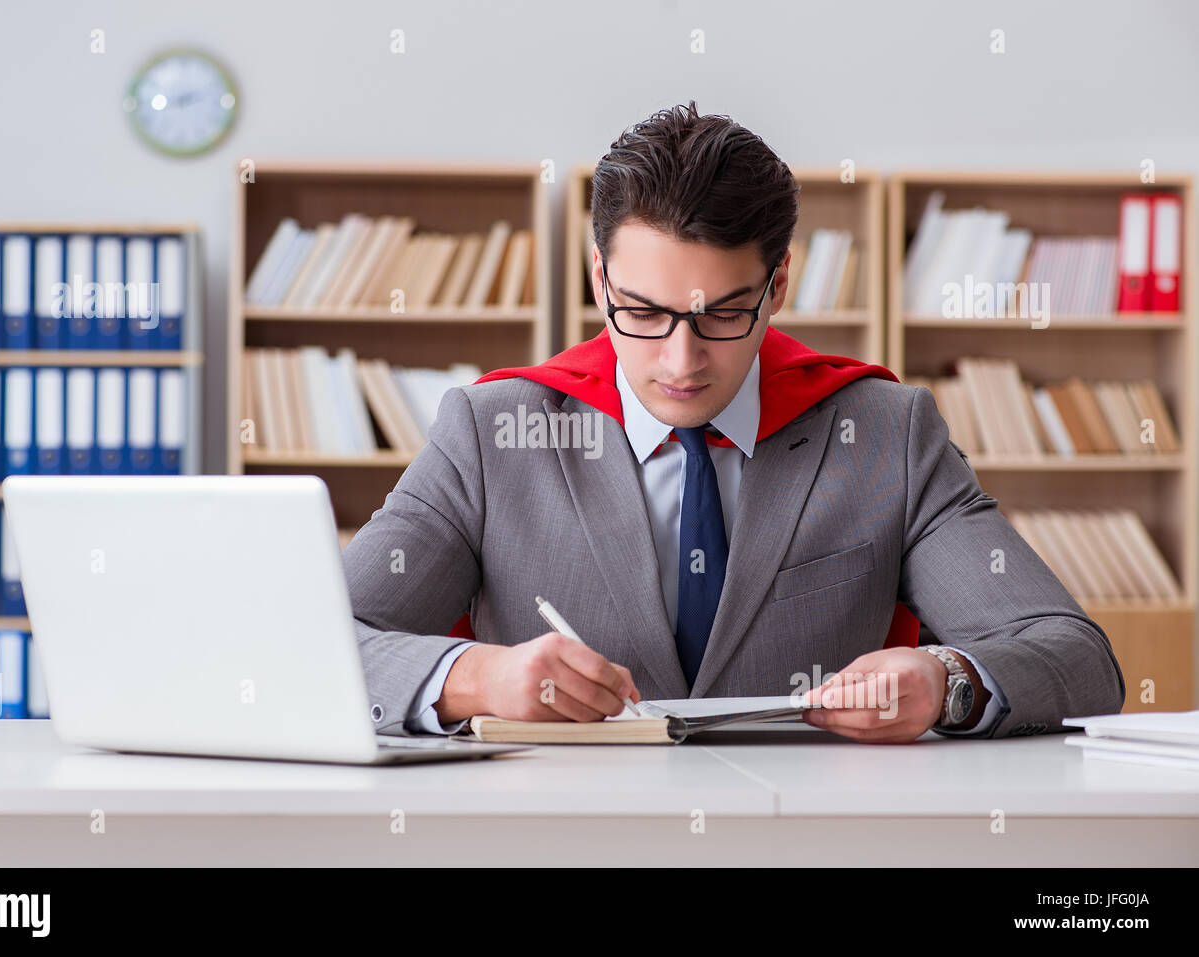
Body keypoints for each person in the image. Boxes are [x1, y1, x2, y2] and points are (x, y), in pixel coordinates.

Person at [341, 100, 1124, 743]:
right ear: (598, 276)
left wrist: (946, 680)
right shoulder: (491, 433)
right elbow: (318, 644)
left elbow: (1075, 655)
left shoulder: (886, 435)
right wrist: (477, 677)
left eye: (722, 313)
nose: (681, 361)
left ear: (779, 282)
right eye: (642, 313)